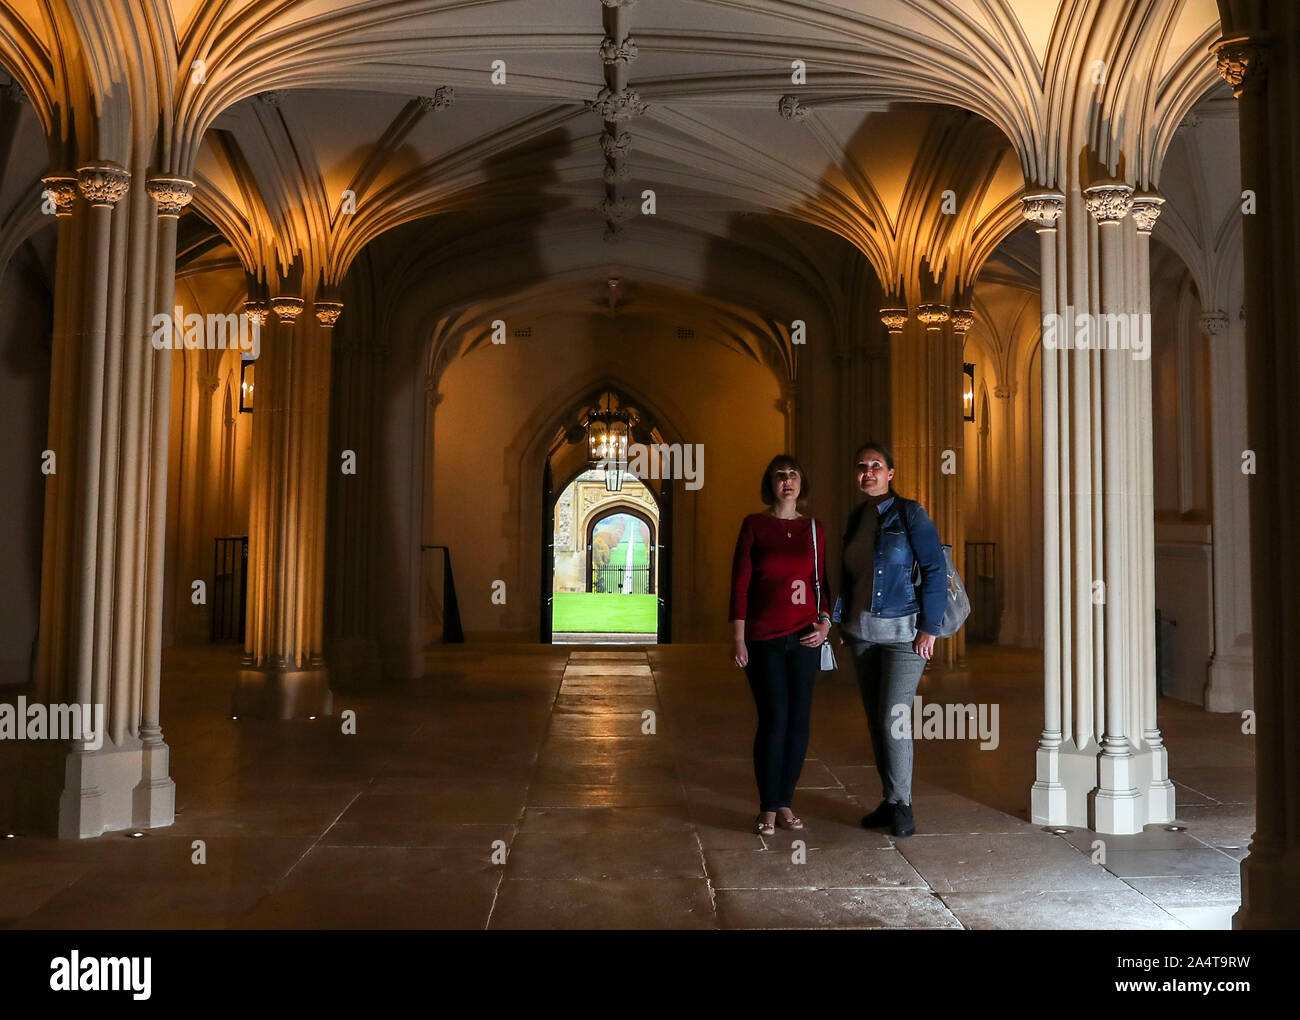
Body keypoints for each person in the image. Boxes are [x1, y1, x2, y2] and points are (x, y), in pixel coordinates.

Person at [833, 441, 946, 838]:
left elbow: (934, 568)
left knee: (893, 719)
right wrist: (843, 622)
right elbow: (851, 576)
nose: (868, 472)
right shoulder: (856, 517)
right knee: (875, 720)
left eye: (876, 466)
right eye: (862, 466)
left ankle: (903, 806)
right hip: (862, 634)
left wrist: (930, 627)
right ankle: (889, 799)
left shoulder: (910, 513)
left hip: (904, 635)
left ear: (890, 473)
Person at [729, 454, 831, 836]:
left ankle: (786, 801)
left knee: (799, 722)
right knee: (774, 719)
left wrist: (825, 624)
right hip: (763, 638)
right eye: (780, 476)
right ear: (770, 484)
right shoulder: (755, 525)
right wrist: (739, 638)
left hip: (805, 636)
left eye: (793, 475)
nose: (787, 481)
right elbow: (740, 583)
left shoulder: (814, 529)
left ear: (802, 483)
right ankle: (767, 807)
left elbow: (823, 580)